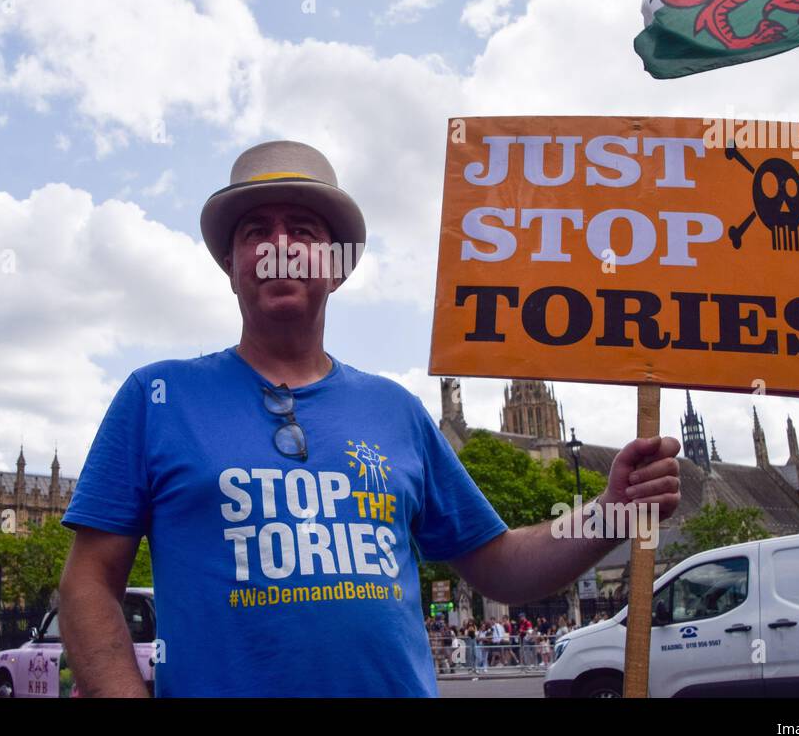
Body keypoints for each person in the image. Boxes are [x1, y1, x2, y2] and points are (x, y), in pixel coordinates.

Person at [57, 140, 682, 697]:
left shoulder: (398, 412)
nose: (279, 248)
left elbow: (499, 565)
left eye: (302, 229)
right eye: (255, 232)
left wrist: (612, 509)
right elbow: (88, 581)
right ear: (232, 267)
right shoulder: (156, 397)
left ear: (336, 266)